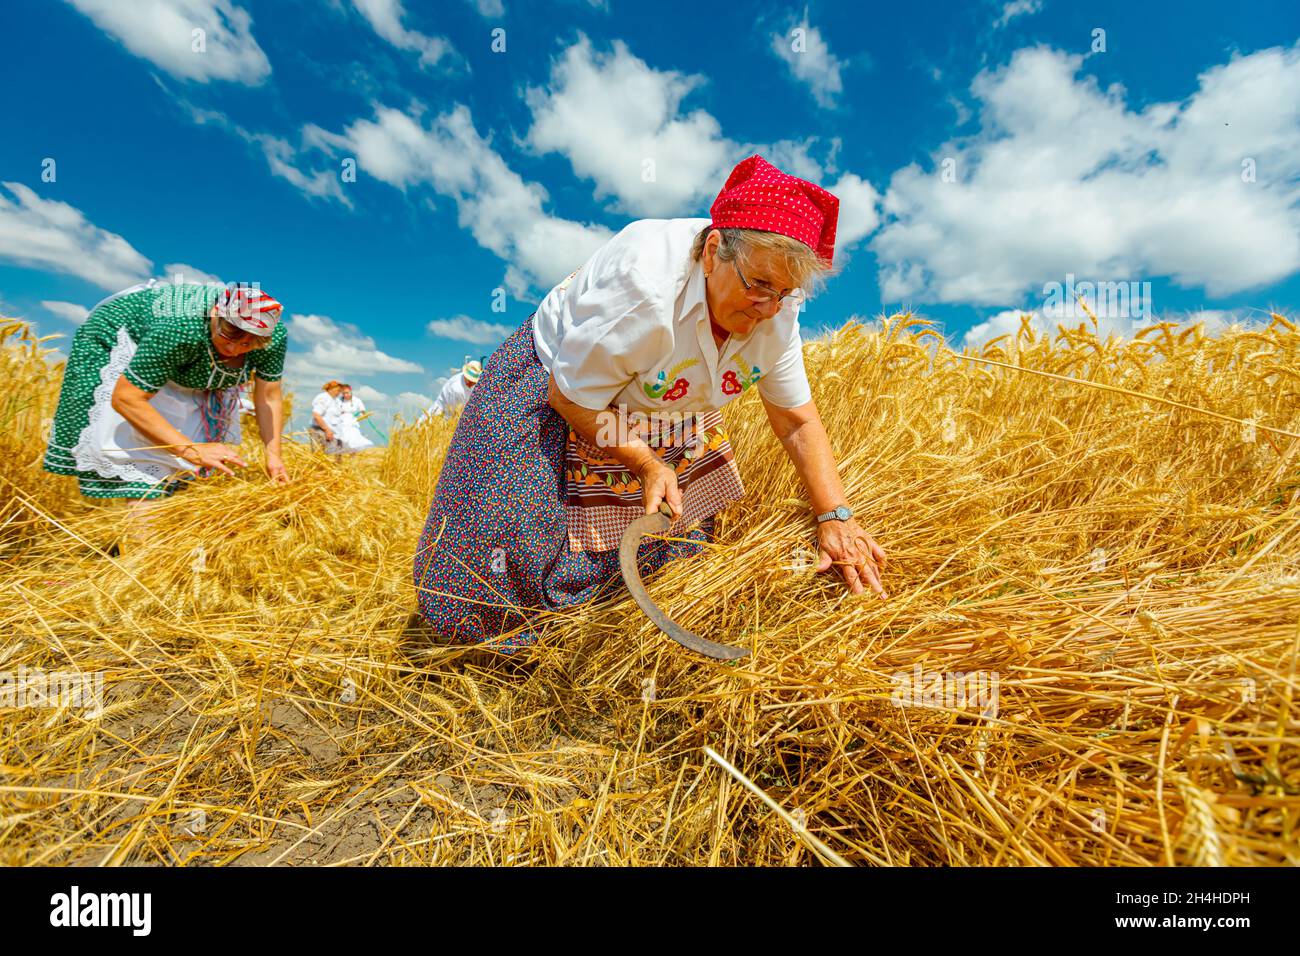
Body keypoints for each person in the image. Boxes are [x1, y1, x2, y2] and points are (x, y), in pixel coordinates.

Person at [412, 154, 888, 656]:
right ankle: (504, 649)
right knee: (497, 543)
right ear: (712, 252)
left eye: (784, 293)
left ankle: (600, 619)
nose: (768, 308)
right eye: (759, 286)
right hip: (560, 378)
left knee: (658, 539)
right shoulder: (643, 292)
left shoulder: (777, 314)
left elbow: (795, 420)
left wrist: (834, 515)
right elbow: (570, 396)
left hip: (664, 395)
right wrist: (643, 460)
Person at [43, 280, 289, 521]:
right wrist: (189, 449)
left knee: (183, 463)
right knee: (143, 457)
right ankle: (144, 555)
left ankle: (171, 530)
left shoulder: (271, 337)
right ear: (216, 313)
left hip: (182, 352)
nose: (235, 349)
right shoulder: (179, 328)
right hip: (127, 333)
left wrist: (273, 454)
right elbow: (127, 398)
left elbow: (268, 395)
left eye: (248, 343)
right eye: (228, 336)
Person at [335, 383, 374, 451]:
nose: (345, 395)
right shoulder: (339, 401)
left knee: (354, 441)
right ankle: (339, 458)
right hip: (341, 422)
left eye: (347, 393)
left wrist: (364, 415)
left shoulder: (357, 400)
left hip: (352, 423)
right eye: (343, 393)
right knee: (341, 440)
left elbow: (362, 410)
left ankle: (352, 457)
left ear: (351, 391)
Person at [309, 380, 345, 454]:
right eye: (338, 390)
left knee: (335, 459)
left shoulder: (337, 401)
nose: (339, 392)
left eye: (340, 390)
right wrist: (327, 430)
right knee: (321, 457)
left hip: (335, 433)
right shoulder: (323, 398)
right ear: (331, 388)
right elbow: (316, 415)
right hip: (322, 432)